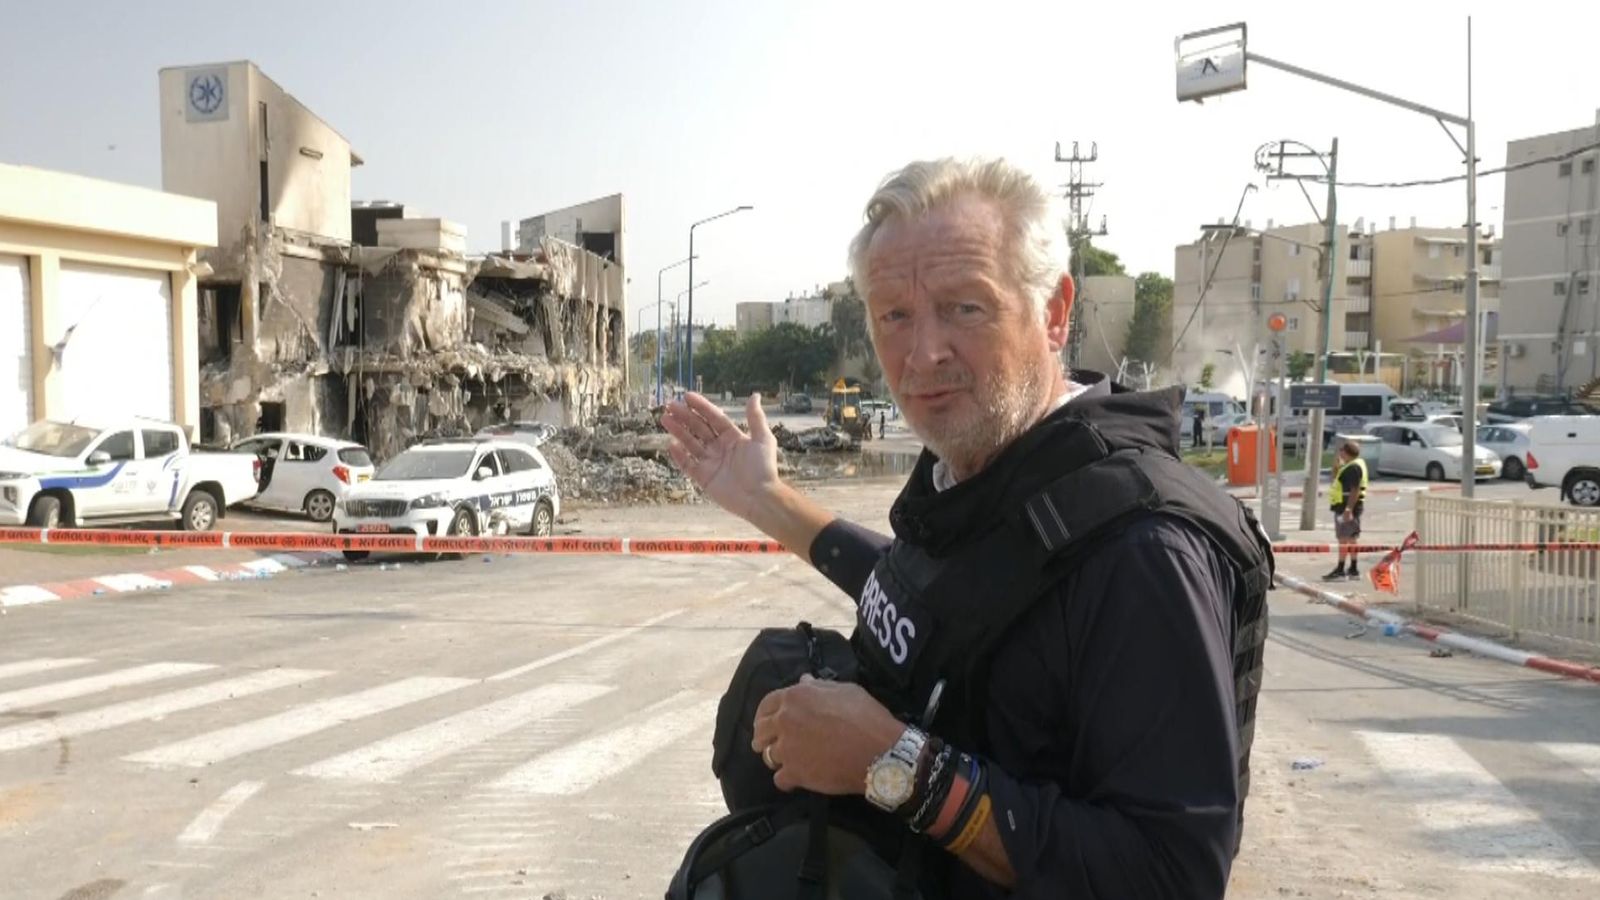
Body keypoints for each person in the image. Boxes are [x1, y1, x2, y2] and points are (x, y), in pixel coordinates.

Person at [662, 157, 1270, 898]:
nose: (923, 354)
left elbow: (1171, 874)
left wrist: (897, 766)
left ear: (1054, 312)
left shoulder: (1143, 550)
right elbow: (942, 601)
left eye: (964, 308)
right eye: (895, 315)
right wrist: (767, 499)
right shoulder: (988, 475)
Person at [1325, 440, 1368, 581]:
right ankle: (1352, 569)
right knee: (1350, 538)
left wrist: (1348, 510)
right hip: (1346, 506)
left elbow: (1355, 490)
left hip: (1346, 507)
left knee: (1344, 539)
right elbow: (1338, 481)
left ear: (1346, 452)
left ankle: (1341, 569)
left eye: (1341, 450)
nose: (1339, 452)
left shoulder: (1353, 468)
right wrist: (1336, 468)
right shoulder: (1351, 465)